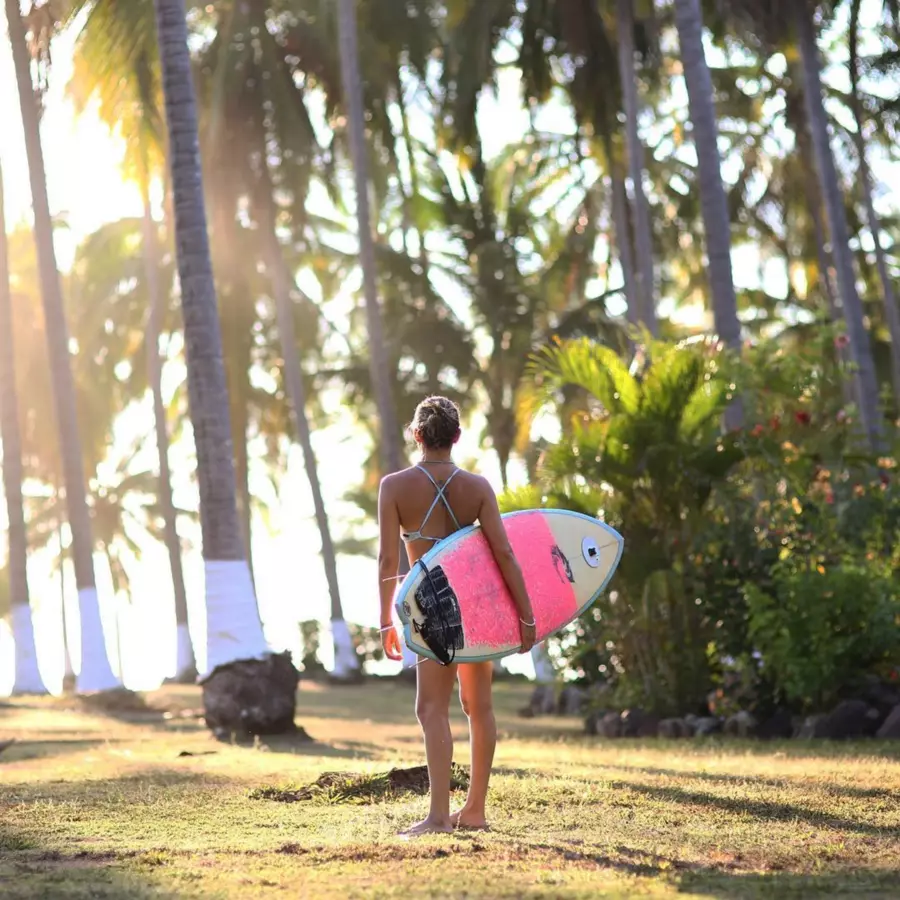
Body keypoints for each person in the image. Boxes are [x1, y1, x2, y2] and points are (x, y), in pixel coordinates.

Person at [377, 396, 537, 836]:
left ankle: (438, 816)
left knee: (431, 707)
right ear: (457, 437)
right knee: (478, 706)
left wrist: (386, 622)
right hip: (476, 607)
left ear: (417, 435)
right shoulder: (479, 488)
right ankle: (475, 811)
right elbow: (504, 553)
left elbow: (388, 560)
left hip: (430, 607)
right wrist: (525, 617)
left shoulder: (394, 487)